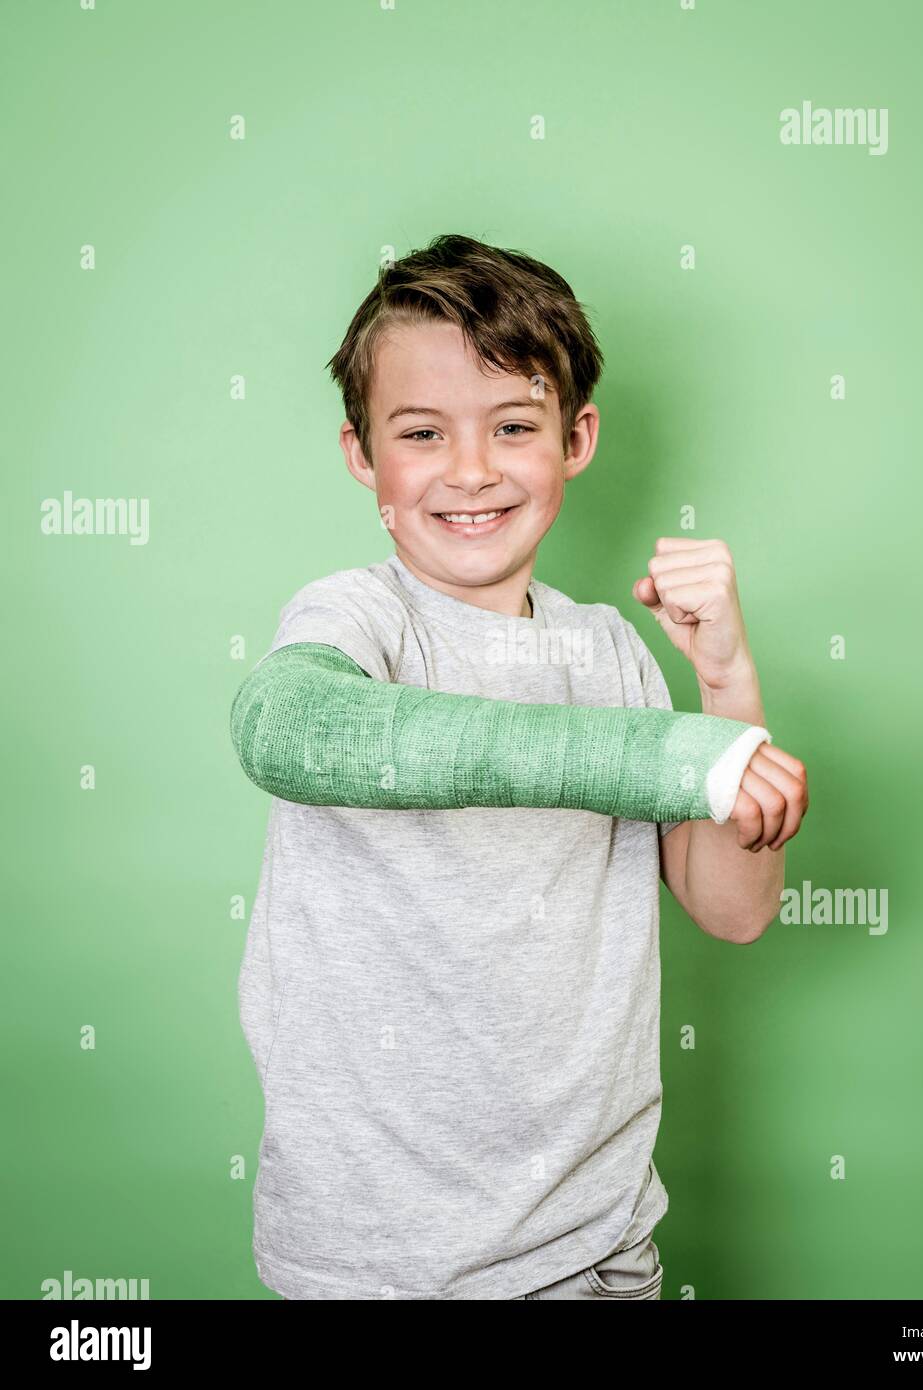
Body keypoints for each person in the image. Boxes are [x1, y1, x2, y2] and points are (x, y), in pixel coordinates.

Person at [230, 233, 809, 1300]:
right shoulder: (357, 618)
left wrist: (723, 685)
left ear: (575, 437)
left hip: (593, 1248)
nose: (470, 470)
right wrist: (665, 752)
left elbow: (731, 911)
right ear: (361, 454)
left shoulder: (609, 653)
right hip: (374, 1265)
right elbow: (285, 727)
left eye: (512, 426)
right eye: (420, 432)